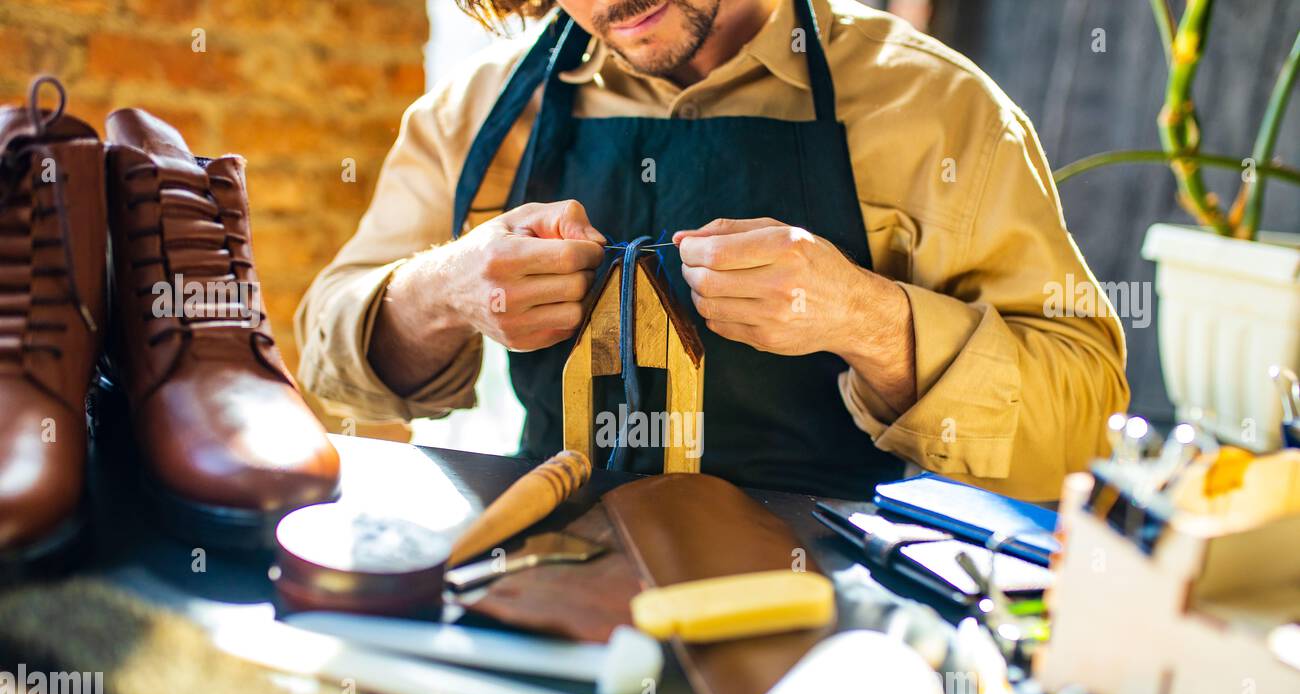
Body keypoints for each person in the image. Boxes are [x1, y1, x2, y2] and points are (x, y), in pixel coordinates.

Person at [296, 0, 1129, 500]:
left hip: (829, 628)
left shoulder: (939, 112)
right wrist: (440, 289)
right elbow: (328, 358)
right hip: (550, 585)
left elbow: (1085, 426)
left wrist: (870, 321)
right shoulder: (475, 112)